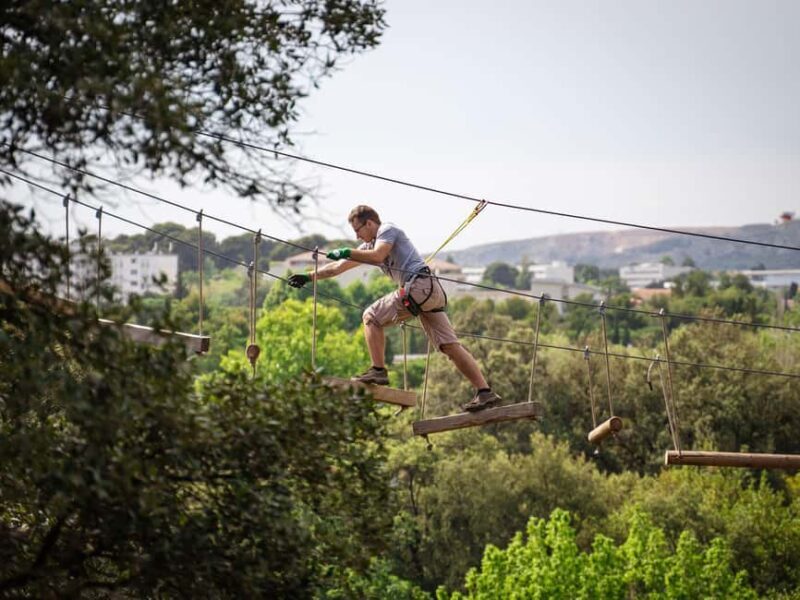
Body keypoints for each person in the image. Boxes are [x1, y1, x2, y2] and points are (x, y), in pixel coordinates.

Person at [288, 205, 502, 412]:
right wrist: (308, 276)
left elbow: (378, 256)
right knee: (449, 346)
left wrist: (346, 251)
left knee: (371, 316)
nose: (357, 237)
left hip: (419, 286)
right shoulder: (368, 246)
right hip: (429, 292)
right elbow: (337, 268)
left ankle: (378, 370)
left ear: (369, 223)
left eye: (358, 230)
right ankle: (485, 391)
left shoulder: (387, 230)